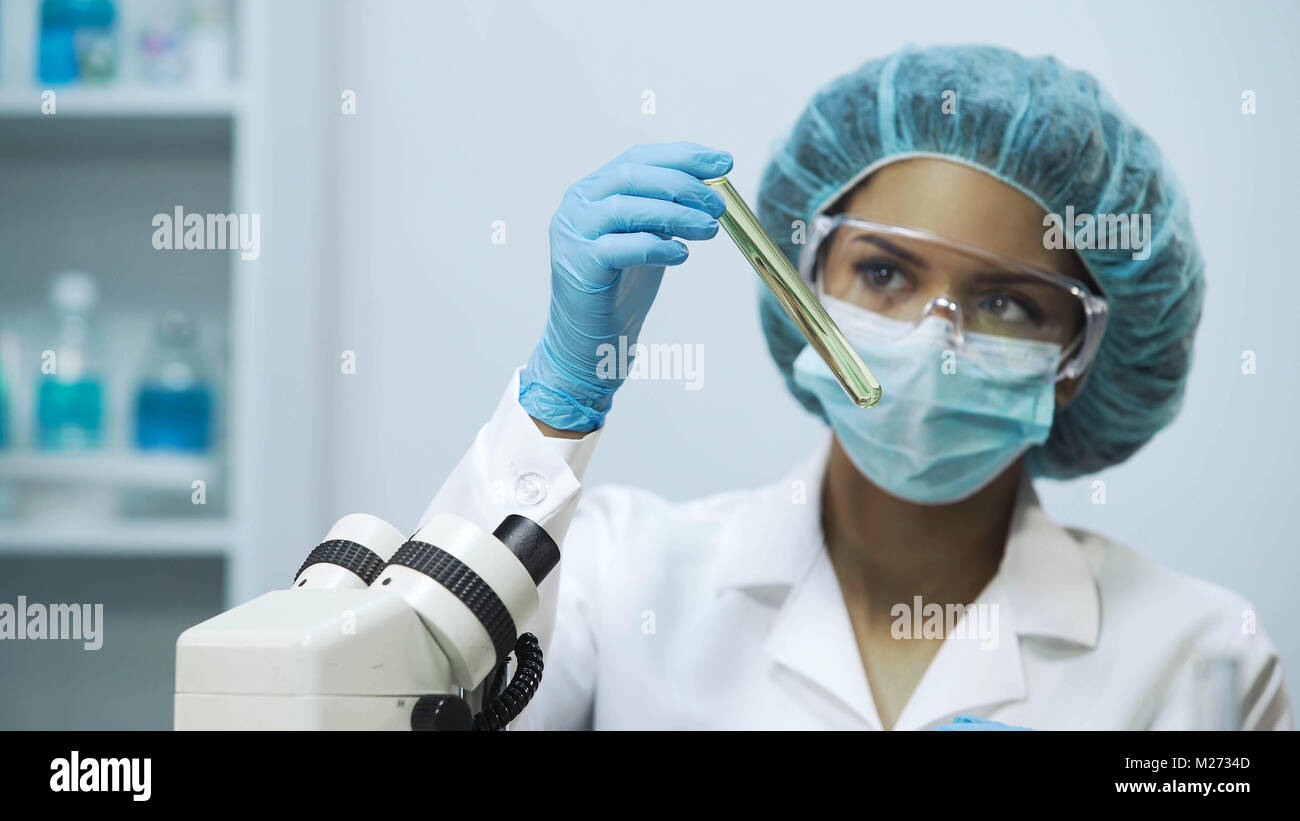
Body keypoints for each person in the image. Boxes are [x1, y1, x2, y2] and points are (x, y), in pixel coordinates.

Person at [423, 44, 1290, 729]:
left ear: (1082, 357)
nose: (933, 337)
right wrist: (553, 408)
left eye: (1006, 303)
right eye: (883, 272)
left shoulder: (1201, 656)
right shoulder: (623, 578)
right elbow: (386, 701)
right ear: (806, 285)